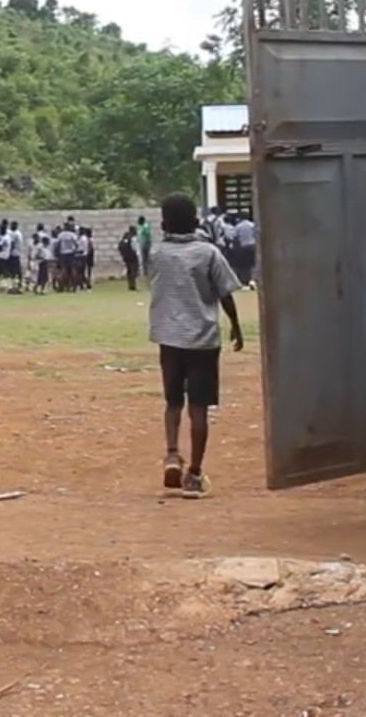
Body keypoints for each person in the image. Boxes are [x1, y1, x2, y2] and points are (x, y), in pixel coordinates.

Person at [148, 192, 245, 500]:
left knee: (173, 402)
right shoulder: (208, 253)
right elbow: (225, 292)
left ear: (163, 224)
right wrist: (236, 325)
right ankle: (194, 474)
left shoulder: (157, 252)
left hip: (168, 337)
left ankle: (173, 454)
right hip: (202, 339)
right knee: (199, 408)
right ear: (196, 221)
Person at [234, 213, 257, 290]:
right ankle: (253, 280)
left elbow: (235, 236)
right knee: (253, 264)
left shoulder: (238, 226)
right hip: (252, 245)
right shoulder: (252, 225)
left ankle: (245, 281)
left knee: (245, 265)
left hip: (243, 247)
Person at [118, 226, 140, 291]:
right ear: (133, 231)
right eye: (135, 230)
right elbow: (135, 248)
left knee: (129, 270)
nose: (136, 232)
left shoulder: (125, 237)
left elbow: (120, 247)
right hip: (132, 256)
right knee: (134, 270)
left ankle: (130, 286)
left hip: (125, 256)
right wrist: (137, 255)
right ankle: (133, 285)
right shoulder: (133, 238)